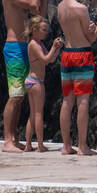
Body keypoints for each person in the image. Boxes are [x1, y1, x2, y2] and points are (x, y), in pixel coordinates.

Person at [56, 0, 97, 156]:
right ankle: (82, 147)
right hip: (81, 55)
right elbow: (91, 37)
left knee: (67, 101)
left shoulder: (60, 7)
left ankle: (65, 146)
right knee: (83, 102)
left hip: (66, 55)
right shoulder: (80, 9)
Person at [1, 0, 47, 153]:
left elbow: (38, 12)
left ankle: (14, 138)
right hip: (13, 48)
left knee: (20, 95)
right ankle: (7, 141)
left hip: (23, 47)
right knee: (15, 95)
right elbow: (30, 4)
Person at [23, 16, 63, 152]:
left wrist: (56, 49)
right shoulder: (34, 44)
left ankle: (28, 145)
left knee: (33, 114)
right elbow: (46, 60)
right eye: (43, 30)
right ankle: (40, 145)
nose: (46, 32)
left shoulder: (38, 43)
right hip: (36, 82)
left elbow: (51, 59)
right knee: (38, 113)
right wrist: (53, 46)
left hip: (30, 81)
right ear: (35, 30)